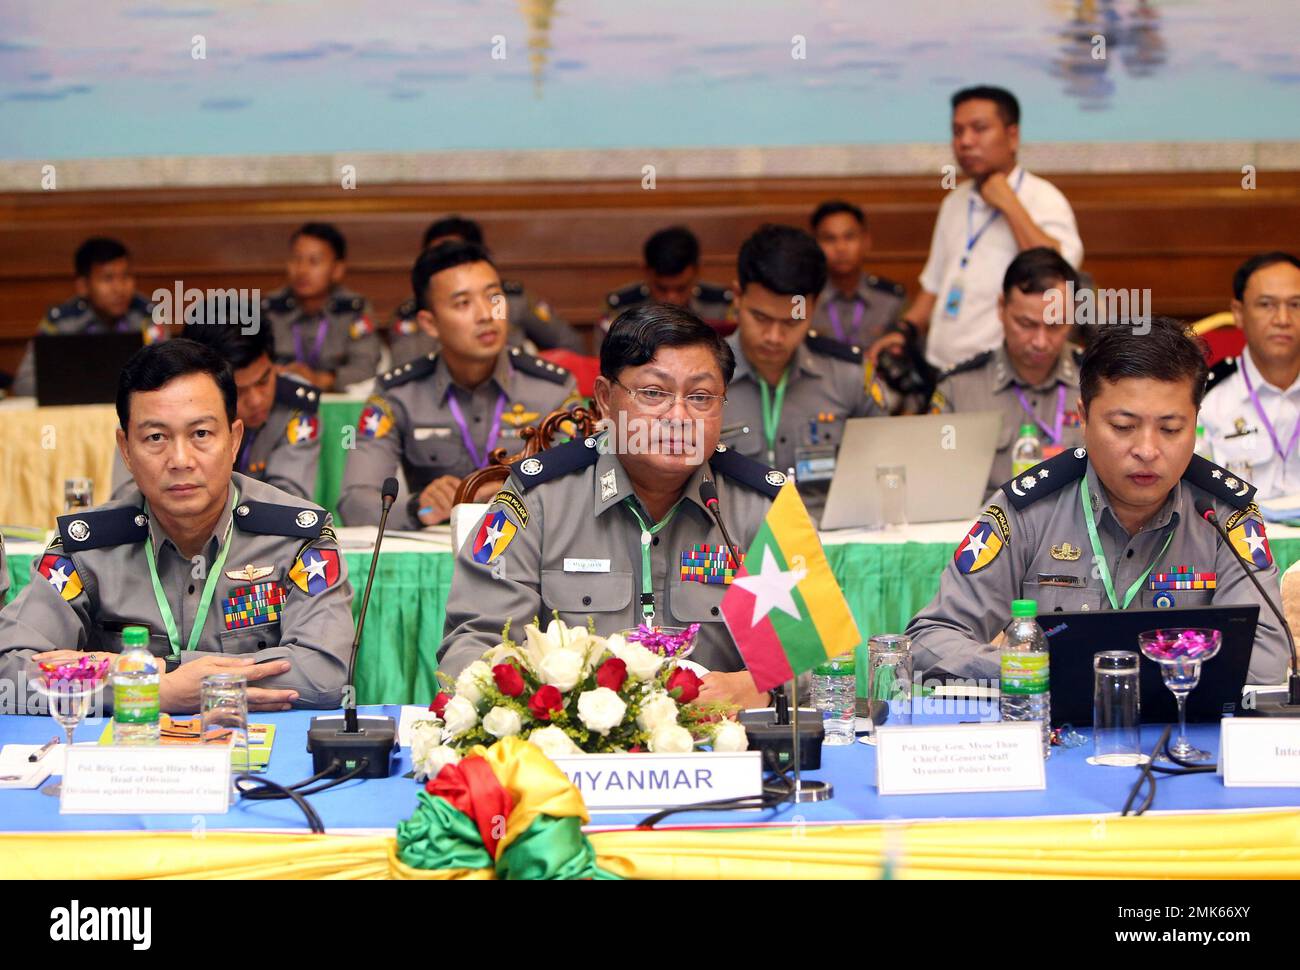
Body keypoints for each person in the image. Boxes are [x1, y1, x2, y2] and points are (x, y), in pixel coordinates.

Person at [906, 316, 1288, 686]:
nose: (1147, 449)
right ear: (1084, 417)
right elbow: (929, 640)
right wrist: (1036, 670)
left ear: (1195, 420)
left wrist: (1113, 672)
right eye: (1123, 427)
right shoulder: (1028, 509)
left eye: (1171, 428)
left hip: (1183, 733)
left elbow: (1265, 660)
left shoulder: (1223, 514)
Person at [440, 303, 787, 707]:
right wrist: (546, 702)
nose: (679, 416)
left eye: (700, 396)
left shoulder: (763, 507)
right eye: (654, 393)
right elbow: (472, 645)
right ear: (605, 400)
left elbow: (818, 663)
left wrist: (757, 688)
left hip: (725, 753)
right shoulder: (536, 498)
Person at [0, 339, 355, 712]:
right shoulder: (87, 549)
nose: (180, 459)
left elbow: (325, 675)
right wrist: (155, 690)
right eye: (156, 437)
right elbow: (9, 672)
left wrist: (159, 676)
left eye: (201, 434)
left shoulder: (296, 537)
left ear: (234, 440)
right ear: (126, 449)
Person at [339, 240, 579, 530]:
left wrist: (523, 490)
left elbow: (587, 489)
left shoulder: (552, 390)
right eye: (463, 303)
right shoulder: (398, 395)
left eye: (493, 298)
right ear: (429, 323)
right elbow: (354, 503)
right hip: (437, 560)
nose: (486, 315)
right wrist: (419, 507)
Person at [870, 85, 1083, 373]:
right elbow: (933, 287)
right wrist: (905, 330)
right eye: (957, 131)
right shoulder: (955, 201)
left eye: (978, 129)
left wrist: (1009, 203)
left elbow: (1060, 276)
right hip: (940, 367)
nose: (965, 141)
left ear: (1012, 136)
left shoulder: (1044, 199)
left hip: (997, 372)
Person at [720, 224, 890, 519]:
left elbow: (885, 470)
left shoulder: (848, 374)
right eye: (760, 317)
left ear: (814, 306)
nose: (773, 336)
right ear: (737, 296)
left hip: (827, 545)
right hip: (734, 546)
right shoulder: (702, 378)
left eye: (790, 322)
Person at [929, 247, 1085, 492]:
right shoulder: (958, 388)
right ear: (1001, 308)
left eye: (1055, 325)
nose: (1040, 342)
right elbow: (935, 479)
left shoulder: (1098, 380)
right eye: (1026, 324)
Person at [110, 321, 322, 501]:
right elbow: (128, 499)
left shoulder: (295, 405)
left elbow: (289, 502)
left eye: (264, 381)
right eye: (239, 390)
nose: (256, 400)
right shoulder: (152, 407)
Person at [389, 215, 583, 364]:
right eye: (462, 303)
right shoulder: (412, 314)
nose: (485, 315)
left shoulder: (511, 300)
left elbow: (570, 345)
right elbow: (404, 365)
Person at [1199, 252, 1300, 500]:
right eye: (1266, 305)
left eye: (1296, 305)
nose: (1283, 320)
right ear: (1239, 313)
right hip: (1235, 537)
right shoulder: (1206, 400)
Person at [10, 237, 164, 398]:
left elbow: (164, 376)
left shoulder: (148, 316)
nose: (119, 288)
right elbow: (24, 383)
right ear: (83, 286)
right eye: (108, 278)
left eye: (125, 276)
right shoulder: (60, 322)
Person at [261, 222, 381, 391]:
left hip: (335, 401)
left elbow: (365, 366)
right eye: (296, 259)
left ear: (337, 269)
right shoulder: (269, 308)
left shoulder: (353, 309)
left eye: (314, 261)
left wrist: (323, 379)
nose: (302, 270)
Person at [599, 226, 733, 335]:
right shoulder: (620, 307)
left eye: (681, 288)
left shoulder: (722, 305)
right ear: (645, 270)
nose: (671, 298)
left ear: (697, 271)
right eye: (661, 288)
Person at [809, 199, 906, 348]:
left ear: (866, 241)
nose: (840, 248)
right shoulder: (804, 300)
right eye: (830, 239)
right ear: (815, 245)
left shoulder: (891, 300)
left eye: (849, 237)